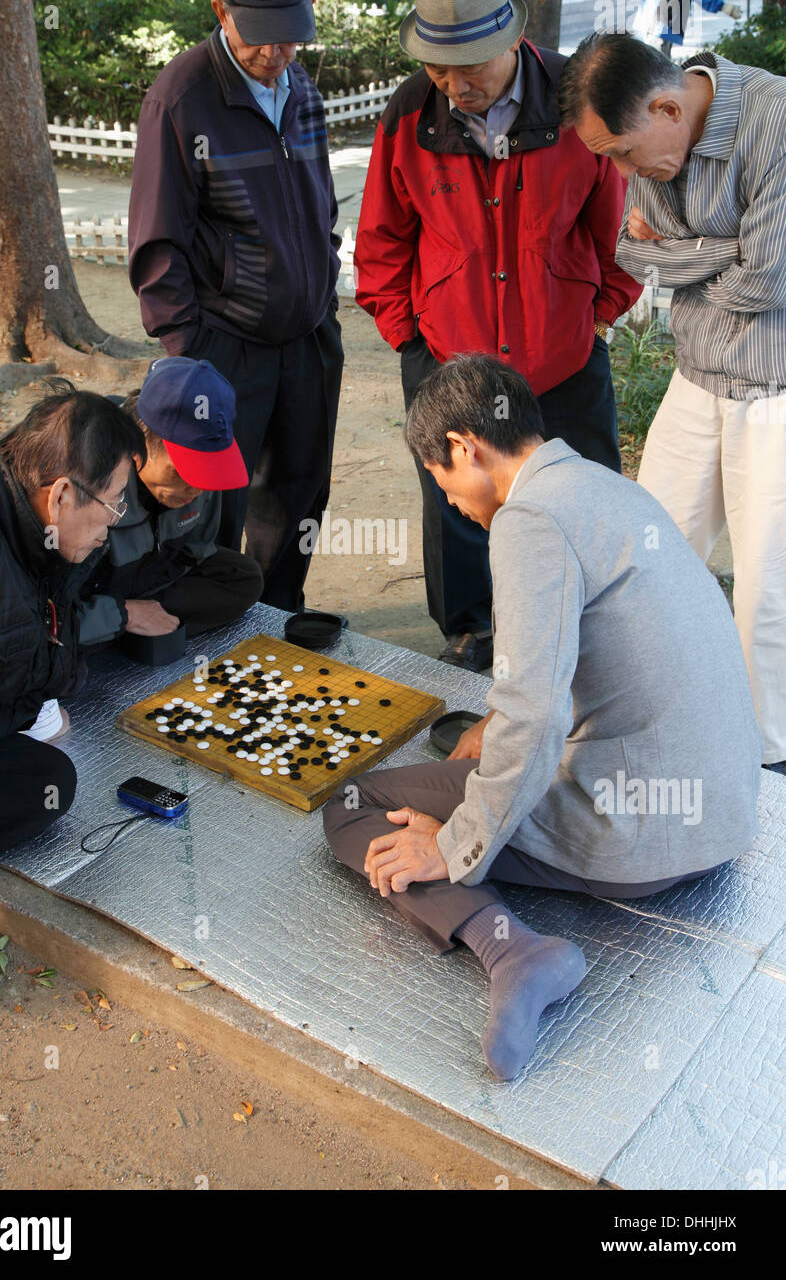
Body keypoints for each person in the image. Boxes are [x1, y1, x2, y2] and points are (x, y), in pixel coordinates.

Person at [323, 356, 762, 1081]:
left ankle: (515, 951)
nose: (454, 505)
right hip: (720, 815)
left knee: (354, 806)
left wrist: (455, 844)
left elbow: (534, 720)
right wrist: (497, 720)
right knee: (479, 751)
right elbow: (572, 666)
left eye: (442, 484)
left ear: (463, 448)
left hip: (635, 837)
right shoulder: (602, 485)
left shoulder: (527, 521)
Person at [354, 0, 642, 673]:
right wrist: (409, 341)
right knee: (458, 513)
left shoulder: (577, 101)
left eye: (471, 66)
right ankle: (471, 637)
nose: (456, 85)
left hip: (564, 356)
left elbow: (618, 231)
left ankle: (590, 633)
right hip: (451, 356)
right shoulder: (408, 116)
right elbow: (382, 242)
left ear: (513, 40)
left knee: (582, 499)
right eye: (439, 68)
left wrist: (595, 316)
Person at [559, 31, 786, 779]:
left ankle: (764, 766)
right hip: (696, 378)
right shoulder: (654, 138)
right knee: (648, 565)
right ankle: (650, 723)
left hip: (775, 392)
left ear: (666, 105)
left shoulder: (773, 118)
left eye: (622, 154)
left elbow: (766, 283)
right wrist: (727, 247)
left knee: (765, 599)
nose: (622, 172)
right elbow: (632, 252)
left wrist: (687, 252)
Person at [129, 0, 344, 615]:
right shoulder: (182, 98)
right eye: (261, 36)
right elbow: (157, 242)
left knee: (301, 487)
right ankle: (215, 623)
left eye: (291, 37)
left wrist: (324, 292)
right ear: (220, 12)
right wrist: (189, 351)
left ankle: (277, 612)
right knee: (217, 499)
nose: (277, 55)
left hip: (308, 335)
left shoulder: (301, 89)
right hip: (224, 344)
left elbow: (317, 205)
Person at [0, 390, 145, 868]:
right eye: (113, 502)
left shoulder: (36, 516)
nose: (113, 522)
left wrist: (40, 712)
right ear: (63, 494)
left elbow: (33, 626)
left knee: (45, 780)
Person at [78, 357, 263, 645]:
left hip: (150, 575)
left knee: (243, 578)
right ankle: (110, 630)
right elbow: (34, 610)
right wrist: (120, 614)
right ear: (137, 445)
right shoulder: (85, 482)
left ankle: (134, 629)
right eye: (182, 472)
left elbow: (196, 551)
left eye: (207, 472)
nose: (196, 489)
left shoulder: (202, 478)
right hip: (84, 594)